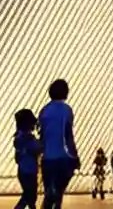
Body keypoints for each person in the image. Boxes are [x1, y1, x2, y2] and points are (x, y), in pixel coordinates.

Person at [39, 79, 80, 209]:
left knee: (49, 194)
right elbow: (68, 135)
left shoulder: (44, 111)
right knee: (58, 194)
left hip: (47, 159)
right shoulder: (66, 110)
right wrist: (75, 155)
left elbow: (42, 136)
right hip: (63, 158)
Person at [14, 109, 43, 209]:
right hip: (28, 171)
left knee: (30, 196)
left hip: (24, 171)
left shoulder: (19, 137)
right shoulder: (27, 138)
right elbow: (38, 148)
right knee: (29, 195)